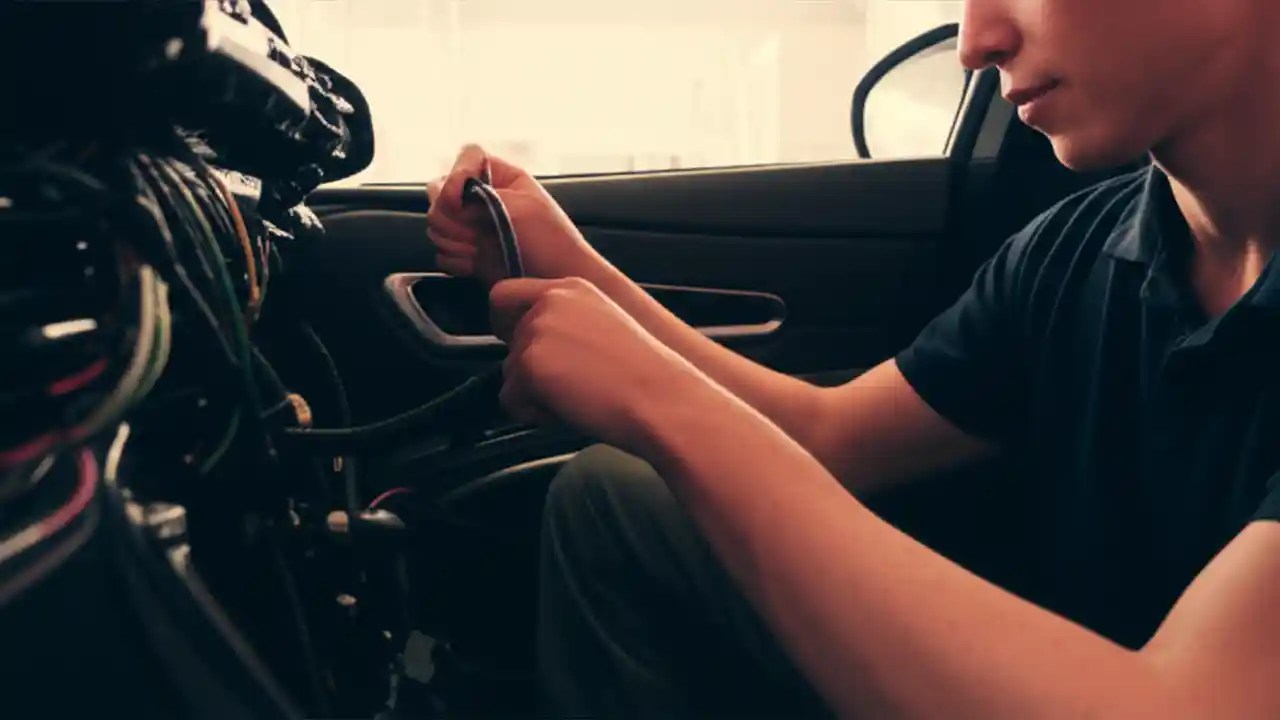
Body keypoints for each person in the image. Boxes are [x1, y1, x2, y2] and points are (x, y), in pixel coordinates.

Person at [424, 0, 1280, 716]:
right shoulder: (1076, 250)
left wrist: (664, 406)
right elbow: (830, 437)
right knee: (619, 495)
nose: (976, 41)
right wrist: (576, 272)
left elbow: (1181, 706)